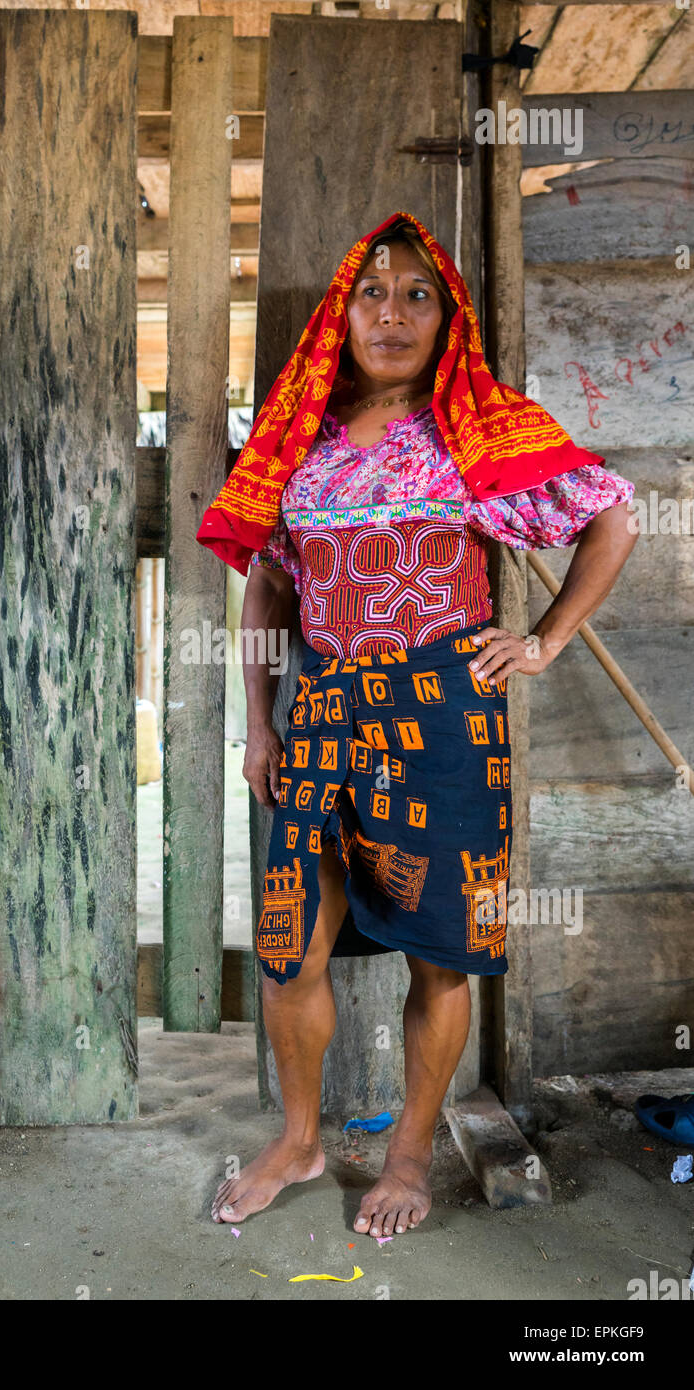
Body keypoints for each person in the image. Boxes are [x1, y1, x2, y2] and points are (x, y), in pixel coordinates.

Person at [196, 211, 637, 1240]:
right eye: (372, 293)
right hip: (322, 716)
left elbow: (612, 515)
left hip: (443, 722)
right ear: (341, 316)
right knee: (286, 948)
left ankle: (406, 1156)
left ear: (447, 319)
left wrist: (540, 640)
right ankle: (302, 1139)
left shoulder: (478, 430)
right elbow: (267, 589)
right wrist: (258, 725)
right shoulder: (295, 439)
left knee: (441, 956)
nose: (391, 312)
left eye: (416, 295)